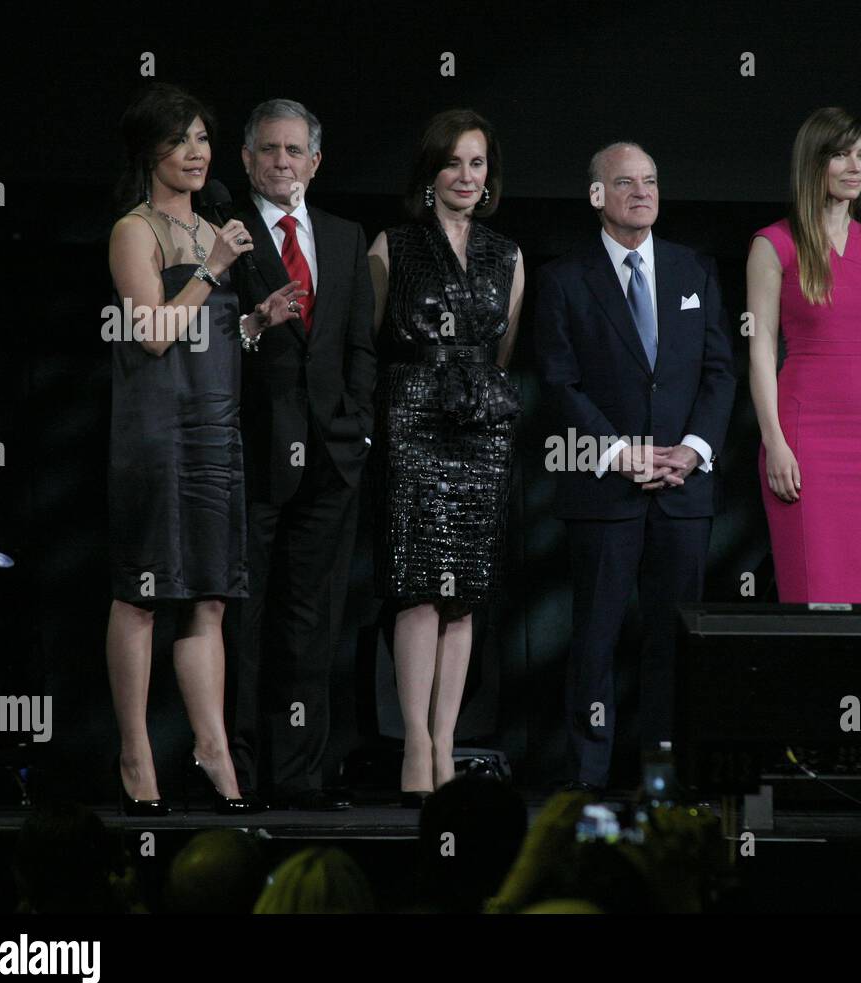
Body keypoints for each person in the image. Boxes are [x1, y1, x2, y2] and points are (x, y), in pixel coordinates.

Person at [106, 83, 289, 816]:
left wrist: (252, 324)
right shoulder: (134, 229)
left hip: (215, 428)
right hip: (154, 434)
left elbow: (206, 333)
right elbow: (150, 333)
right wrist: (212, 270)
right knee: (146, 594)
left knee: (210, 594)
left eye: (203, 140)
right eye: (181, 140)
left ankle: (213, 751)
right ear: (150, 151)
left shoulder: (213, 222)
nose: (196, 153)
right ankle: (134, 752)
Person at [535, 142, 735, 793]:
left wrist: (694, 450)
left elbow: (719, 371)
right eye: (625, 183)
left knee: (674, 643)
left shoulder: (693, 270)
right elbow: (559, 384)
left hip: (683, 491)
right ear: (597, 195)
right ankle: (587, 782)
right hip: (603, 491)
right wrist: (620, 454)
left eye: (650, 180)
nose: (642, 192)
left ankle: (665, 775)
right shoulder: (564, 279)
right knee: (594, 642)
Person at [368, 109, 525, 805]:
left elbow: (502, 352)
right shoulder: (393, 246)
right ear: (430, 172)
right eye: (455, 163)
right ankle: (416, 745)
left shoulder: (508, 256)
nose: (468, 176)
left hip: (481, 432)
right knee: (417, 587)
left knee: (464, 597)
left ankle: (446, 738)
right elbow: (369, 343)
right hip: (413, 420)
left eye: (479, 163)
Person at [225, 99, 376, 812]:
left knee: (310, 622)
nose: (282, 162)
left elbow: (358, 347)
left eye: (295, 151)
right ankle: (239, 773)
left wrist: (362, 429)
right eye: (269, 150)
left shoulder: (346, 238)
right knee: (245, 618)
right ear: (248, 159)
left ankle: (299, 776)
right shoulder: (225, 236)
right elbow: (207, 340)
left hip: (332, 457)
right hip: (252, 452)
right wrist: (253, 328)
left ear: (316, 162)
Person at [747, 108, 861, 603]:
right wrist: (774, 441)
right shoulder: (773, 244)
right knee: (813, 594)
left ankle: (855, 687)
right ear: (813, 163)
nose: (855, 167)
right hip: (805, 438)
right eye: (841, 155)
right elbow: (759, 351)